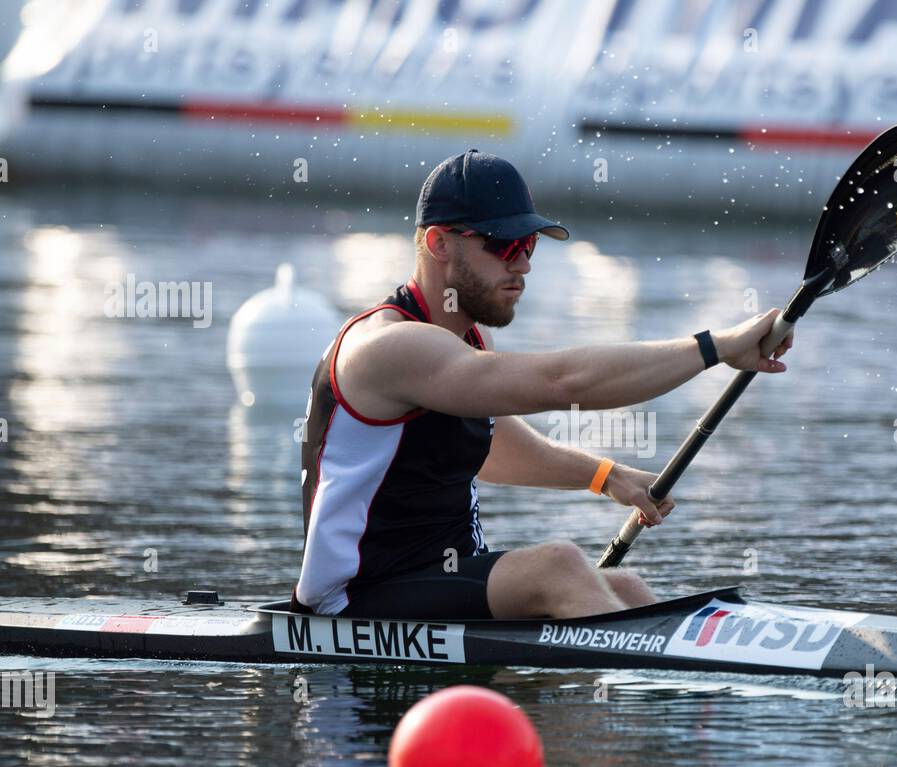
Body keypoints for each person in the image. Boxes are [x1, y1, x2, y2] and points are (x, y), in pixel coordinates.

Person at [292, 148, 790, 621]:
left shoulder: (465, 339)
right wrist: (716, 348)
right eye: (503, 246)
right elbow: (562, 382)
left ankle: (675, 705)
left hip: (433, 581)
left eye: (527, 246)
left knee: (626, 588)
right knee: (560, 569)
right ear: (439, 243)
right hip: (355, 599)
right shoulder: (388, 346)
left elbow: (494, 447)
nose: (523, 265)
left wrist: (606, 475)